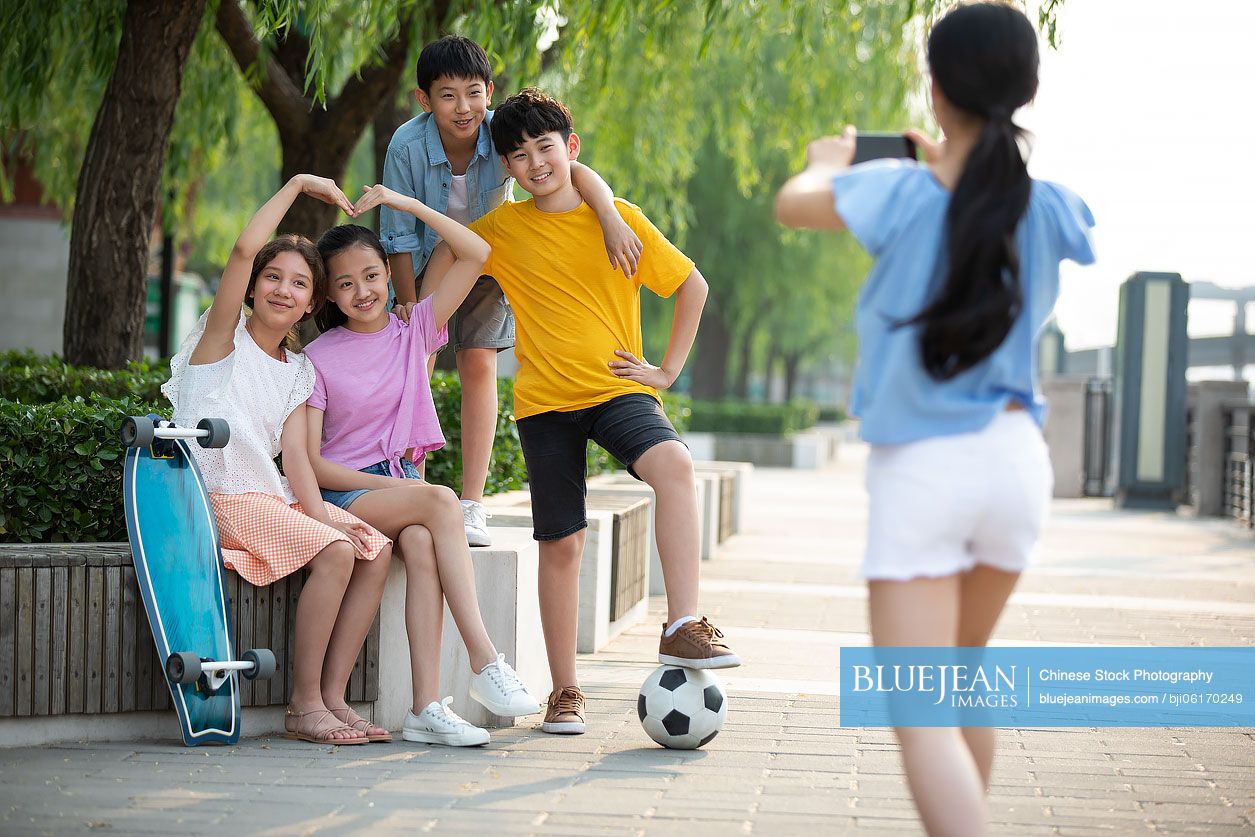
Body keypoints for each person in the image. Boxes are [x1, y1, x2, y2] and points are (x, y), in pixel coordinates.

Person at [774, 3, 1095, 834]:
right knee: (962, 673)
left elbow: (793, 202)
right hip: (1017, 464)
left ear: (934, 87)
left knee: (921, 712)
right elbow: (1002, 201)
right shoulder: (1052, 205)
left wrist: (827, 160)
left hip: (924, 470)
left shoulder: (894, 191)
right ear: (1025, 89)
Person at [422, 87, 741, 737]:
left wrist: (667, 370)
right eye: (517, 155)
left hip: (618, 387)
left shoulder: (616, 216)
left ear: (569, 147)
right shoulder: (503, 230)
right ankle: (564, 691)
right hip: (544, 405)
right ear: (507, 168)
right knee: (561, 544)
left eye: (545, 147)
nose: (534, 162)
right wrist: (407, 208)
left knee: (674, 465)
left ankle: (682, 624)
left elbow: (692, 285)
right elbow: (447, 268)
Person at [380, 35, 643, 548]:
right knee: (418, 359)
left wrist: (608, 214)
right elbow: (397, 233)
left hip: (492, 255)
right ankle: (407, 488)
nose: (464, 108)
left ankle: (472, 504)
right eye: (448, 95)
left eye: (473, 92)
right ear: (424, 99)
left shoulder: (501, 129)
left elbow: (573, 167)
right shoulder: (406, 145)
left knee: (478, 361)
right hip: (434, 259)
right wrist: (408, 303)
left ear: (489, 90)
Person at [302, 185, 541, 746]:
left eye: (370, 275)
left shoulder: (414, 332)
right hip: (346, 491)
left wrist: (404, 207)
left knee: (419, 542)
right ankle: (485, 662)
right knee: (439, 500)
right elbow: (313, 464)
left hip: (398, 490)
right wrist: (377, 483)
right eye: (344, 283)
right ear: (329, 297)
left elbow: (476, 253)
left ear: (388, 274)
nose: (361, 291)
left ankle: (425, 708)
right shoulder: (315, 358)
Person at [162, 175, 395, 746]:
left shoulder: (298, 373)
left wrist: (329, 516)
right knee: (337, 552)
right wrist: (296, 186)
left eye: (298, 284)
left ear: (312, 303)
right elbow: (244, 248)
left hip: (267, 498)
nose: (282, 290)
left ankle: (334, 697)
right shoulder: (220, 340)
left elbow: (298, 466)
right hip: (211, 495)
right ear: (252, 286)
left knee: (372, 545)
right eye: (272, 277)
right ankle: (303, 705)